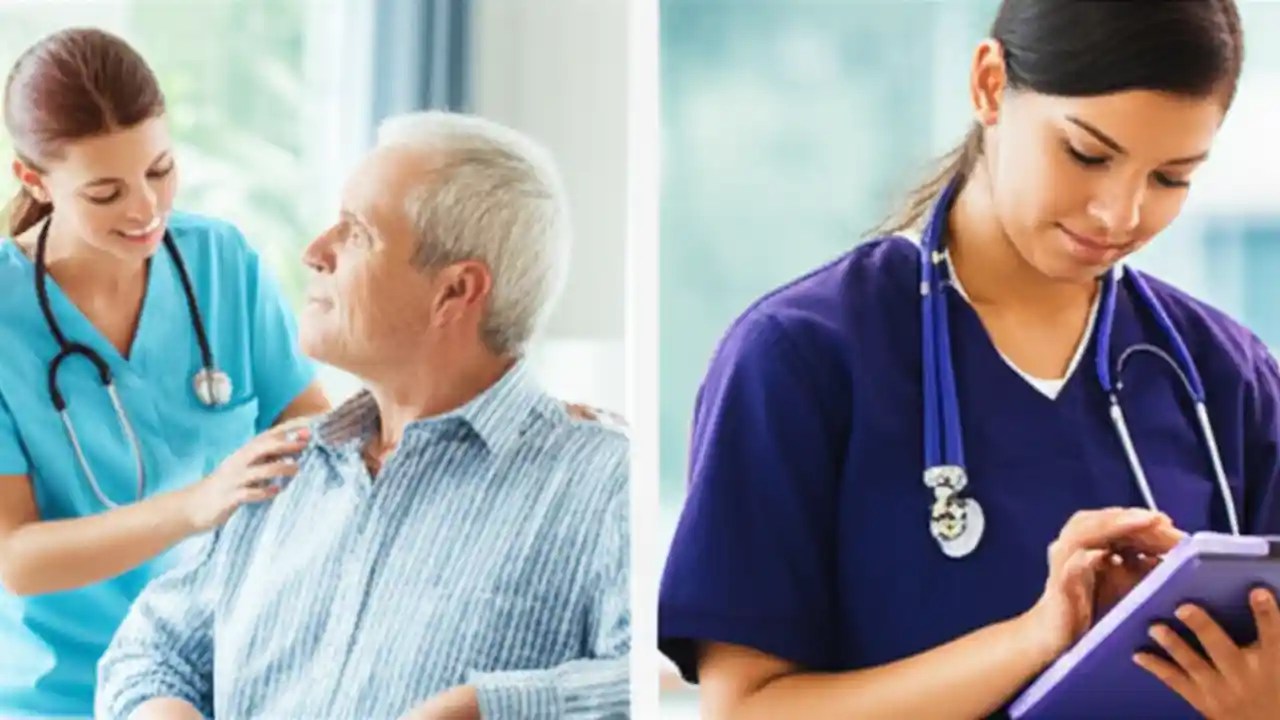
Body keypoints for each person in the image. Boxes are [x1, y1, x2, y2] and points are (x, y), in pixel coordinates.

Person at [658, 1, 1280, 719]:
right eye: (1086, 154)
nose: (1120, 213)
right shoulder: (801, 357)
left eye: (1171, 178)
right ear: (989, 85)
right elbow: (745, 710)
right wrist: (1035, 640)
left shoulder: (1224, 376)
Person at [95, 110, 631, 720]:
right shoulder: (283, 465)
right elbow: (151, 649)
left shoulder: (605, 482)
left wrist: (488, 706)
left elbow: (649, 683)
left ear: (455, 291)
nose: (315, 251)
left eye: (355, 232)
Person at [0, 28, 331, 718]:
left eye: (160, 170)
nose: (146, 209)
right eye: (105, 191)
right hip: (63, 695)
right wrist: (195, 505)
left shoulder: (221, 263)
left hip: (227, 670)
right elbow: (17, 557)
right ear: (33, 179)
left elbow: (314, 434)